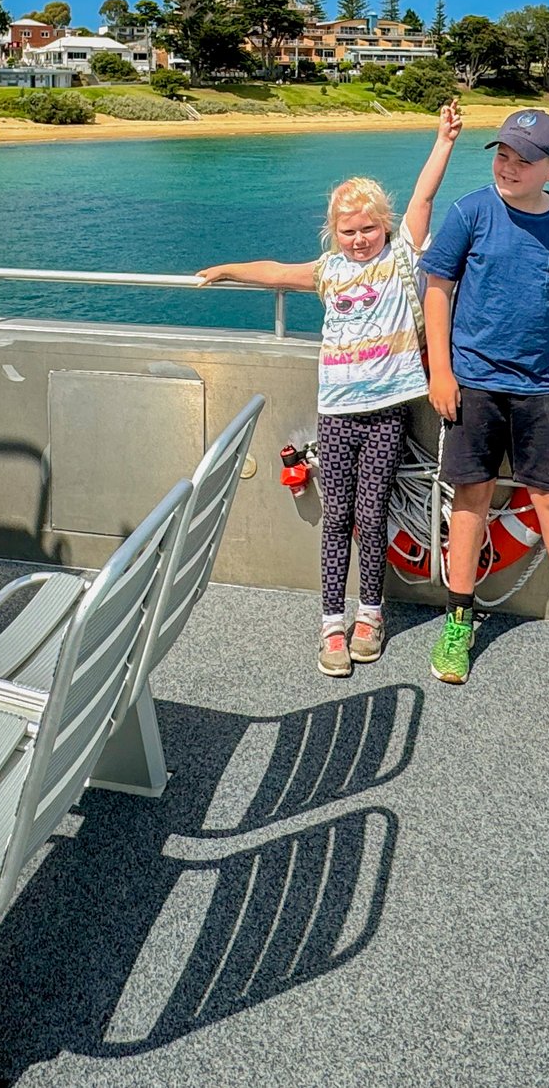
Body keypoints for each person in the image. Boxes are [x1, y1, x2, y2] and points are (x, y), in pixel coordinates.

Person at [198, 101, 463, 674]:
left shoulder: (400, 259)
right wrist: (226, 269)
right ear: (333, 231)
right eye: (348, 231)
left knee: (372, 514)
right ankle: (332, 625)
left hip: (388, 410)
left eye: (369, 228)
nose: (360, 238)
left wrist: (442, 141)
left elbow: (423, 200)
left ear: (385, 227)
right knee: (337, 515)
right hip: (337, 414)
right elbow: (275, 270)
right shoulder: (328, 271)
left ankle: (371, 613)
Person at [418, 107, 549, 699]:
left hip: (540, 386)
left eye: (524, 160)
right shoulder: (470, 211)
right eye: (502, 154)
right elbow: (437, 289)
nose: (509, 166)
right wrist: (442, 372)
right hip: (473, 383)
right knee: (471, 497)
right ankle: (459, 618)